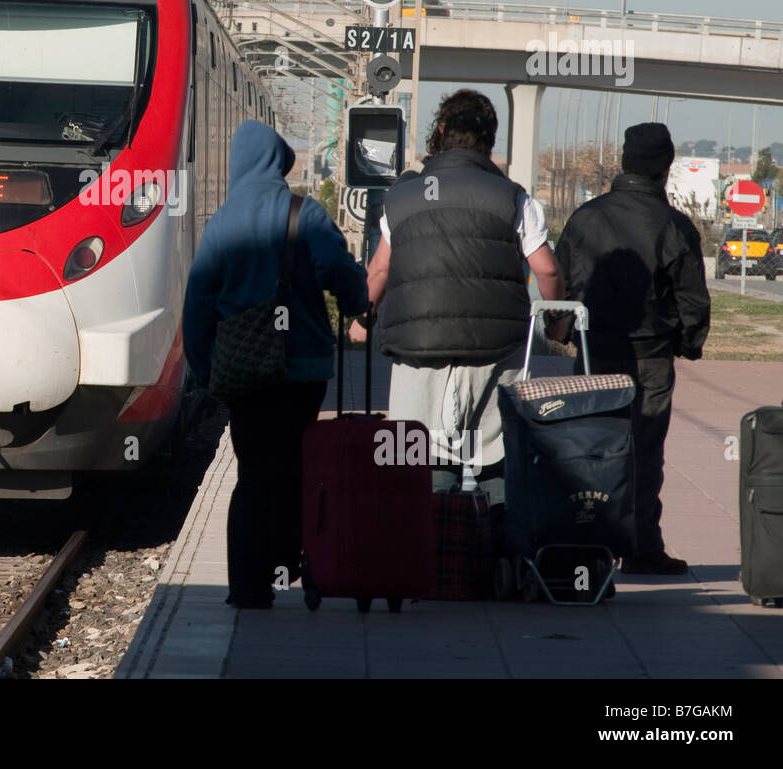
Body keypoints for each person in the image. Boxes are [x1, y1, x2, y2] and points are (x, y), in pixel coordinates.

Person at [351, 89, 564, 519]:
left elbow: (378, 272)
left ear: (441, 131)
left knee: (423, 452)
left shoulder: (403, 196)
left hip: (416, 346)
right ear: (490, 139)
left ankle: (431, 558)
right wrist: (555, 325)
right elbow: (549, 273)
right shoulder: (514, 196)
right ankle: (495, 556)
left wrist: (361, 320)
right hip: (494, 346)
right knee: (493, 451)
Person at [183, 120, 368, 609]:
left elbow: (198, 304)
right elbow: (343, 274)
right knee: (295, 466)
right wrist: (356, 302)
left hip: (246, 374)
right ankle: (292, 565)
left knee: (254, 473)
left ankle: (248, 586)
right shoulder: (305, 214)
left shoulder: (221, 223)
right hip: (301, 371)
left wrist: (204, 371)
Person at [554, 122, 711, 575]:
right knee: (644, 449)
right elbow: (692, 299)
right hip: (651, 356)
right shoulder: (675, 225)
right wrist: (688, 342)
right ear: (666, 169)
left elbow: (559, 285)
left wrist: (563, 334)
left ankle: (586, 542)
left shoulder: (585, 218)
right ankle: (641, 546)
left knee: (592, 445)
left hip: (594, 349)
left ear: (624, 162)